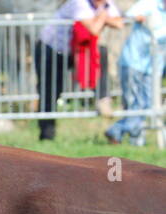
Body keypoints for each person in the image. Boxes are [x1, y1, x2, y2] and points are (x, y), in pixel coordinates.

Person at [35, 0, 122, 140]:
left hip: (74, 50)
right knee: (50, 91)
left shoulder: (106, 4)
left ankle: (102, 98)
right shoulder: (79, 2)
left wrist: (101, 17)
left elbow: (119, 23)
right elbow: (93, 29)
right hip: (51, 48)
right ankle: (46, 135)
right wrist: (103, 17)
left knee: (101, 54)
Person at [105, 0, 165, 143]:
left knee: (148, 105)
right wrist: (137, 17)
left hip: (153, 67)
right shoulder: (149, 4)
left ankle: (116, 131)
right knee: (134, 104)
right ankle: (135, 140)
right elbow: (128, 15)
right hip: (133, 61)